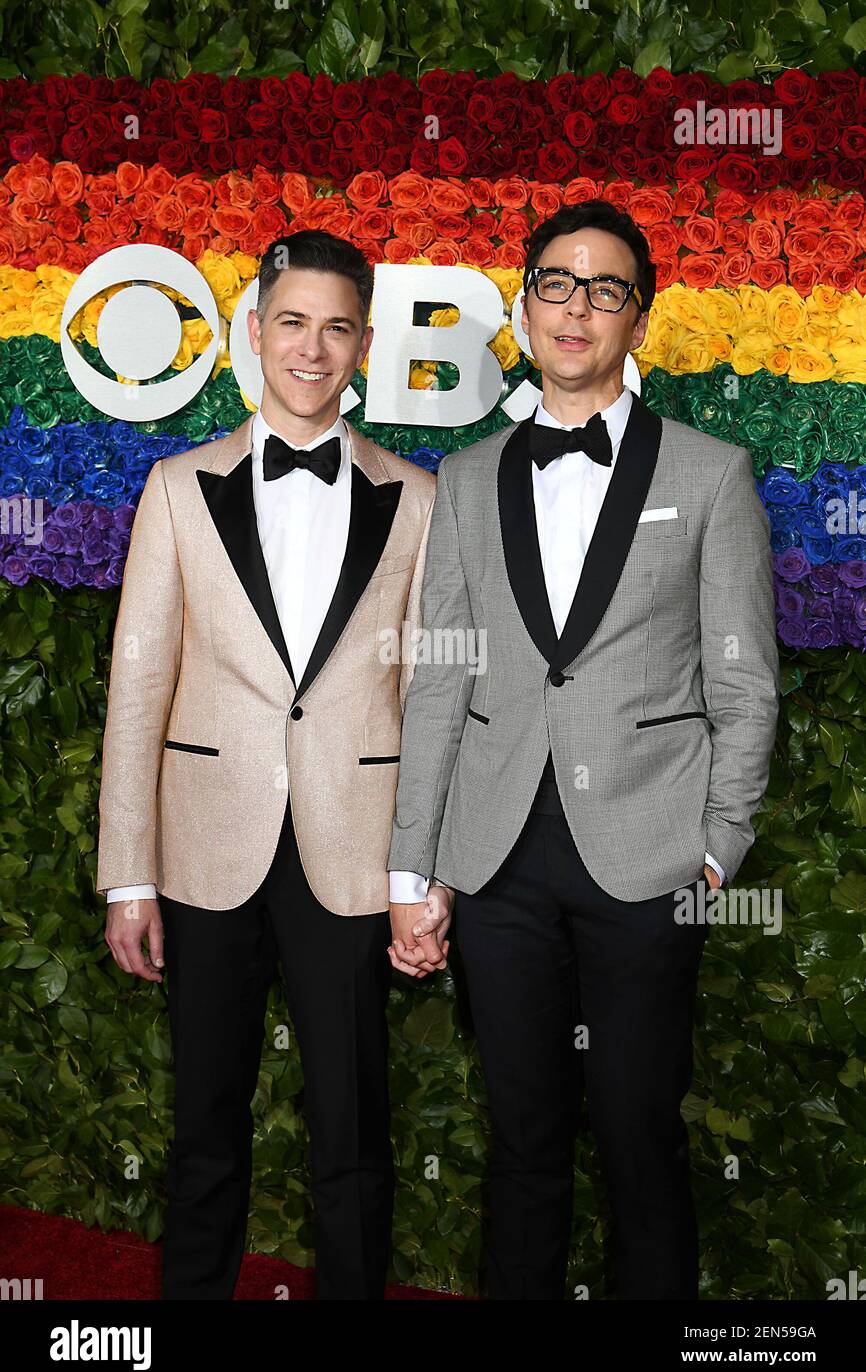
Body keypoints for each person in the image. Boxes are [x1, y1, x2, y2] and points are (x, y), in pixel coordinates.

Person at [387, 199, 779, 1299]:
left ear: (637, 321)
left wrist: (715, 853)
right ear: (522, 307)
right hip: (496, 857)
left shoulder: (710, 474)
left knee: (639, 1143)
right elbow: (438, 678)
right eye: (555, 284)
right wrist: (412, 869)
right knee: (520, 1143)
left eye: (604, 289)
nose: (575, 307)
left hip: (650, 861)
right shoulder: (465, 477)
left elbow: (742, 682)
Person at [96, 229, 439, 1299]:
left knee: (351, 1136)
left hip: (353, 847)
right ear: (254, 334)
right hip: (204, 847)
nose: (311, 346)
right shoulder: (177, 488)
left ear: (364, 345)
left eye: (336, 326)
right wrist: (129, 875)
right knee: (204, 1131)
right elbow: (138, 692)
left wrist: (418, 879)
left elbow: (431, 700)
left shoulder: (416, 499)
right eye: (292, 321)